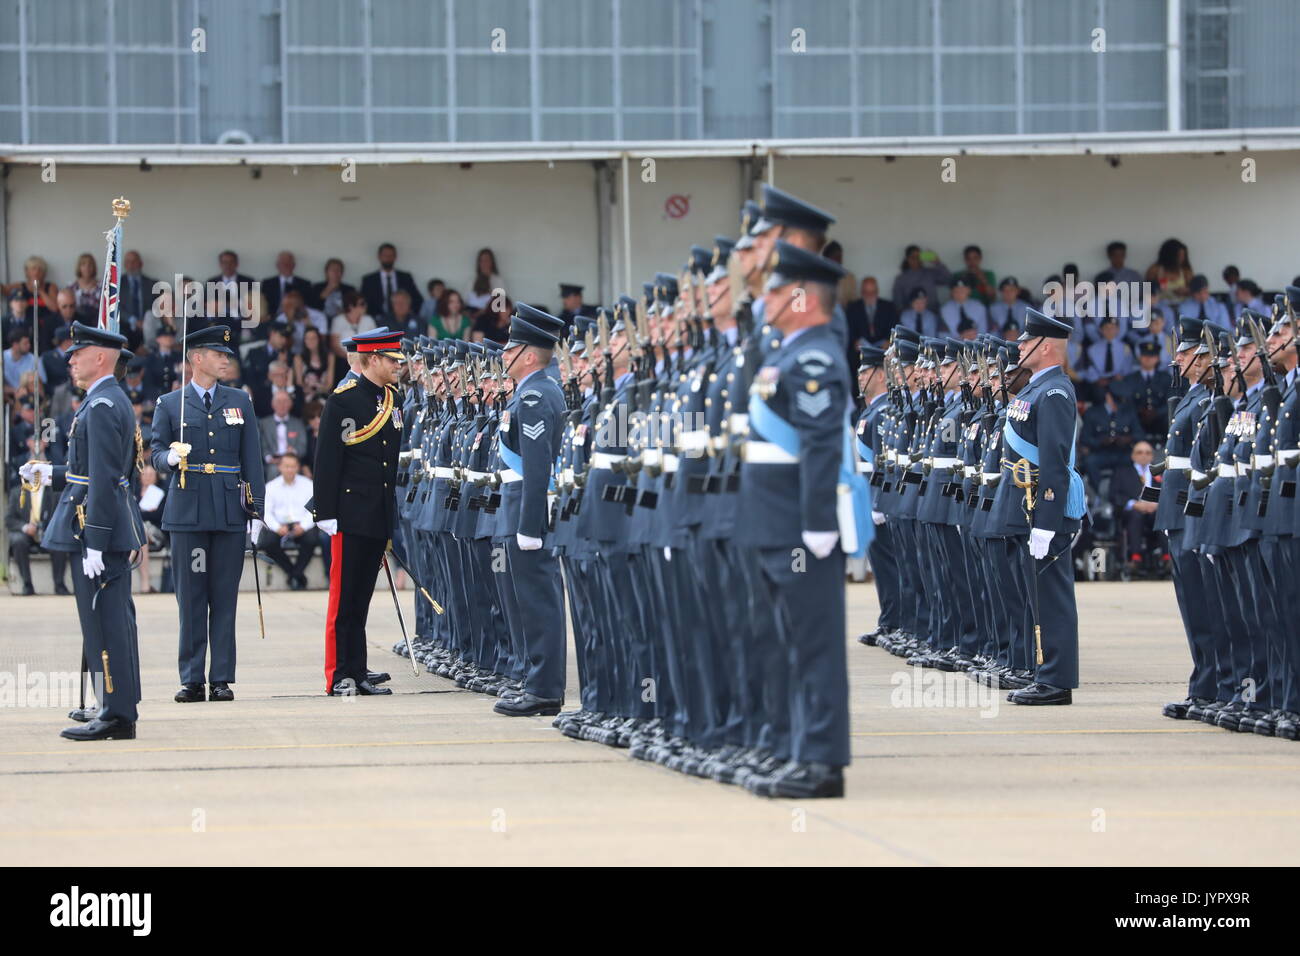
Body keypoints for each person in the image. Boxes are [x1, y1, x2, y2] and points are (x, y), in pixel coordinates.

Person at [736, 239, 854, 798]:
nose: (770, 297)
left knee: (814, 643)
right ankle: (794, 749)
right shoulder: (786, 352)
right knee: (783, 642)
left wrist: (816, 524)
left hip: (797, 527)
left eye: (779, 289)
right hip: (771, 521)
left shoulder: (814, 357)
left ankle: (822, 761)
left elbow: (820, 444)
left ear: (804, 297)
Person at [19, 321, 145, 741]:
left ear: (101, 357)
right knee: (107, 622)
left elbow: (107, 479)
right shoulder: (101, 401)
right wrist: (48, 472)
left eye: (79, 351)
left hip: (97, 532)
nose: (70, 359)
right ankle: (115, 704)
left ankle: (116, 714)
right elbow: (87, 473)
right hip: (97, 525)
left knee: (104, 625)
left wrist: (95, 539)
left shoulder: (104, 405)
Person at [149, 324, 265, 705]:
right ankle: (191, 677)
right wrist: (168, 457)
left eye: (226, 355)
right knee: (192, 597)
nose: (225, 360)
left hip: (230, 510)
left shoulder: (240, 401)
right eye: (218, 355)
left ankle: (221, 677)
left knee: (224, 597)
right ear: (196, 358)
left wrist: (257, 510)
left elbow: (252, 458)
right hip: (188, 511)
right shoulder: (170, 403)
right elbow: (154, 452)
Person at [988, 306, 1086, 705]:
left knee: (1052, 596)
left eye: (1026, 341)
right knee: (1035, 595)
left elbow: (1055, 462)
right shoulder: (1033, 389)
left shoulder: (1056, 392)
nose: (1021, 346)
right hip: (1022, 503)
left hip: (1043, 509)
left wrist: (1046, 521)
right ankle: (1044, 672)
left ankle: (1057, 680)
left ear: (1046, 347)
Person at [312, 326, 406, 696]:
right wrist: (325, 511)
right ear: (373, 359)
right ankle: (338, 675)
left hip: (377, 514)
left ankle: (358, 671)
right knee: (344, 600)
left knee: (362, 599)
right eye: (392, 360)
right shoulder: (344, 400)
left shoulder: (391, 399)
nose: (398, 366)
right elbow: (327, 460)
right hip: (349, 514)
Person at [491, 304, 568, 717]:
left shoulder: (538, 394)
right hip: (515, 504)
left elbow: (538, 466)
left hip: (527, 509)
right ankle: (534, 680)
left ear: (530, 355)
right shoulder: (527, 392)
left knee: (539, 601)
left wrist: (530, 522)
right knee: (525, 602)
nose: (504, 355)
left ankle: (544, 688)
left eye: (511, 348)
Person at [257, 451, 327, 589]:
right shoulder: (271, 487)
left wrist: (304, 526)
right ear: (280, 467)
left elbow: (313, 509)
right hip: (280, 525)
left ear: (298, 467)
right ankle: (295, 574)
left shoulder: (308, 484)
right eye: (286, 466)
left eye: (292, 466)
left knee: (312, 539)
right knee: (267, 542)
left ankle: (294, 575)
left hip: (301, 525)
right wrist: (277, 527)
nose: (289, 469)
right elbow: (266, 513)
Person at [7, 466, 69, 595]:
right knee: (18, 541)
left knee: (58, 540)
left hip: (47, 532)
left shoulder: (53, 492)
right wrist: (25, 527)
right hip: (27, 534)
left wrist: (49, 529)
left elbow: (60, 515)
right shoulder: (16, 492)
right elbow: (9, 519)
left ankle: (59, 585)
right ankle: (27, 584)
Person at [1111, 441, 1160, 571]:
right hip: (1132, 512)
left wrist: (1157, 505)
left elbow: (1168, 494)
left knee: (1163, 516)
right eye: (1140, 452)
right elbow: (1115, 495)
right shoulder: (1122, 472)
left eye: (1147, 453)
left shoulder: (1159, 473)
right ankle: (1135, 557)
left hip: (1155, 511)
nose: (1144, 455)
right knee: (1136, 516)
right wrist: (1134, 504)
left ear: (1152, 456)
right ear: (1133, 456)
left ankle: (1167, 558)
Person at [361, 242, 422, 319]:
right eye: (385, 255)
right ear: (379, 257)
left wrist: (408, 313)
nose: (388, 258)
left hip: (402, 320)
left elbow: (418, 300)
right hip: (377, 321)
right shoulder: (369, 280)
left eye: (391, 255)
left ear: (395, 257)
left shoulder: (406, 277)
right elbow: (363, 303)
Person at [258, 389, 309, 479]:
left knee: (293, 468)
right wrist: (269, 458)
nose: (282, 405)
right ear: (272, 404)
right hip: (273, 462)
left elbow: (303, 446)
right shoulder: (263, 423)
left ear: (291, 404)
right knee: (273, 469)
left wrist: (293, 451)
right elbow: (262, 445)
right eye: (278, 401)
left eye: (285, 401)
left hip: (292, 460)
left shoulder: (298, 423)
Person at [891, 244, 950, 309]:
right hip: (912, 316)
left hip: (933, 313)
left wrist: (937, 262)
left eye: (919, 257)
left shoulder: (930, 273)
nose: (917, 260)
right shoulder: (901, 279)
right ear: (908, 259)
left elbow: (948, 280)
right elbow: (898, 302)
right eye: (913, 257)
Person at [261, 250, 312, 316]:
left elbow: (308, 306)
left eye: (289, 262)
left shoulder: (305, 284)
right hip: (273, 318)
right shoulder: (267, 284)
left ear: (294, 265)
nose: (286, 265)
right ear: (277, 265)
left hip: (297, 318)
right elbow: (263, 305)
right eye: (283, 263)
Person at [1145, 238, 1194, 303]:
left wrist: (1186, 291)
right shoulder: (1155, 270)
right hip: (1161, 307)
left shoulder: (1185, 270)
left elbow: (1195, 290)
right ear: (1170, 256)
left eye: (1183, 255)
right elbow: (1147, 290)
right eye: (1179, 255)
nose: (1182, 258)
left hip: (1182, 306)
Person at [294, 324, 335, 390]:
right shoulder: (298, 358)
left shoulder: (329, 356)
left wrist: (320, 391)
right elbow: (299, 382)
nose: (311, 341)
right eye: (307, 338)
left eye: (313, 338)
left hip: (324, 393)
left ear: (319, 339)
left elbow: (330, 384)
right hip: (306, 394)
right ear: (304, 340)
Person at [465, 247, 503, 315]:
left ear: (492, 262)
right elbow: (466, 301)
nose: (484, 263)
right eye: (481, 261)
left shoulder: (498, 281)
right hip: (471, 315)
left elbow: (501, 304)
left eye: (487, 260)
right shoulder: (472, 280)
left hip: (489, 316)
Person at [67, 252, 101, 322]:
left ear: (94, 267)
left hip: (96, 323)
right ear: (79, 267)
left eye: (90, 264)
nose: (87, 267)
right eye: (83, 264)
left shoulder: (102, 286)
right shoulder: (72, 287)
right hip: (77, 322)